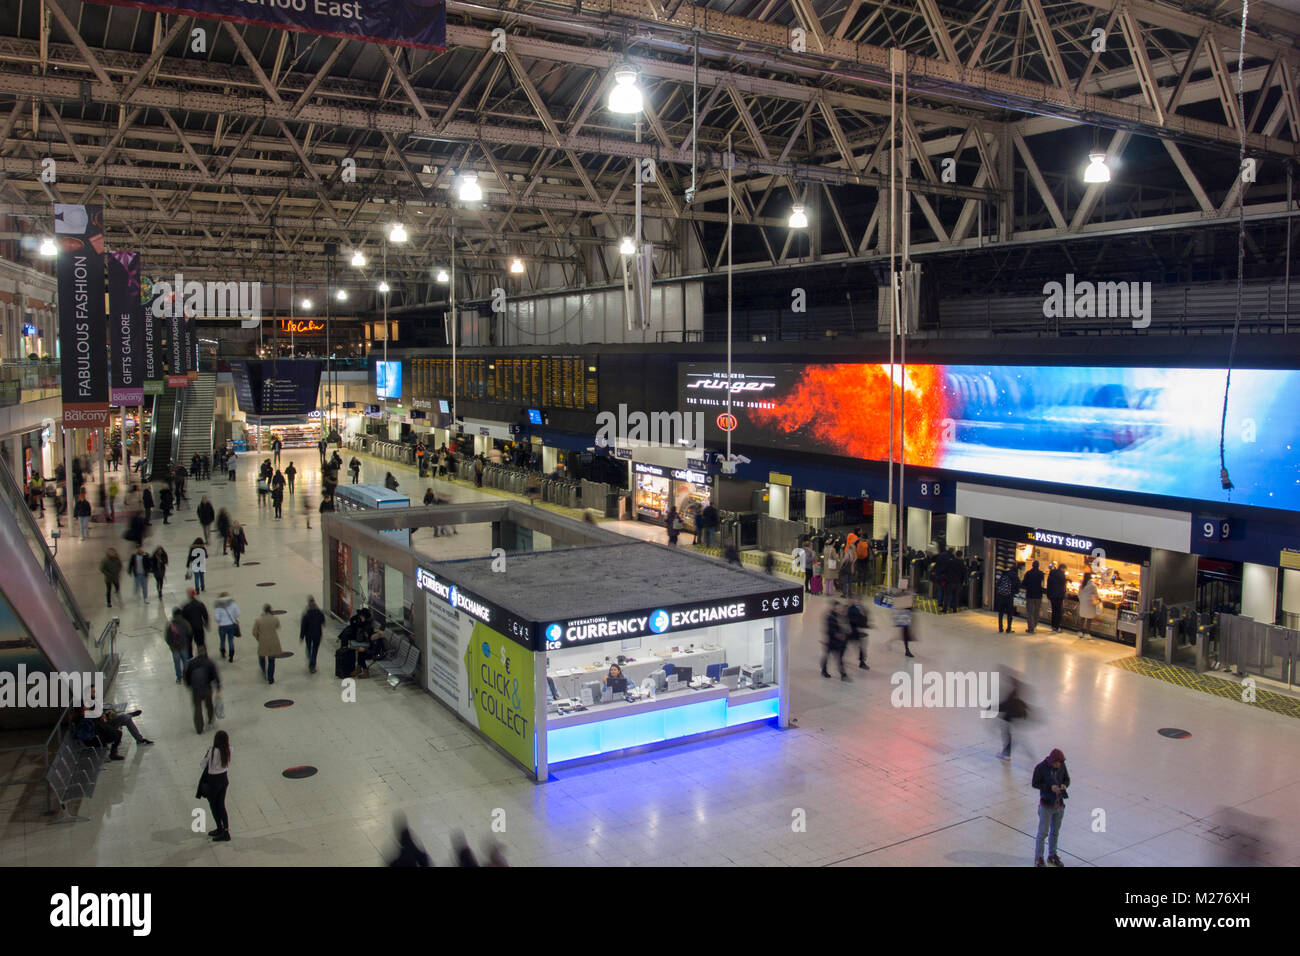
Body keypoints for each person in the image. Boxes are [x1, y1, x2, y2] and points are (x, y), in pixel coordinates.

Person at [1031, 748, 1070, 867]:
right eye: (1058, 763)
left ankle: (1052, 855)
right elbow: (1035, 783)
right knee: (1043, 833)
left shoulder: (1062, 766)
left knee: (1055, 832)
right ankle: (1039, 858)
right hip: (1046, 806)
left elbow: (1066, 779)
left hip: (1059, 805)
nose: (1060, 765)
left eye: (1061, 763)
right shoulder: (1040, 768)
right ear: (1052, 761)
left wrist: (1064, 785)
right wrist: (1049, 788)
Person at [200, 730, 232, 842]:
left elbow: (202, 765)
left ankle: (220, 828)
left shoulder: (212, 751)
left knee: (214, 806)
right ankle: (226, 831)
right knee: (221, 805)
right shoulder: (229, 750)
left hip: (213, 782)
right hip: (223, 779)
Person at [184, 646, 221, 735]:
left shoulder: (191, 663)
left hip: (196, 689)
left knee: (197, 708)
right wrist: (218, 688)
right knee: (209, 705)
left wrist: (190, 685)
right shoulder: (209, 662)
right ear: (205, 652)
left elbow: (186, 676)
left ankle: (199, 728)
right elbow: (216, 676)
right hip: (207, 688)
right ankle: (210, 721)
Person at [996, 674, 1028, 759]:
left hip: (1009, 718)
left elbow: (1006, 704)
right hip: (1013, 717)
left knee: (1007, 735)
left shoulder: (1013, 693)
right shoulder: (1016, 692)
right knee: (1007, 735)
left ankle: (1006, 753)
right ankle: (1006, 753)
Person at [254, 604, 282, 684]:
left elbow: (254, 632)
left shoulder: (258, 620)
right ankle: (271, 678)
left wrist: (258, 638)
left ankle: (263, 671)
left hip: (263, 641)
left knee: (261, 657)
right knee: (272, 661)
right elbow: (278, 626)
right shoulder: (275, 619)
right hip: (273, 642)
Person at [821, 601, 849, 680]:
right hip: (831, 641)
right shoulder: (830, 616)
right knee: (830, 657)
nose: (838, 608)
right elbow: (830, 630)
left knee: (837, 658)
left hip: (836, 641)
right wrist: (839, 635)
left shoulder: (837, 615)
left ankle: (842, 674)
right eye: (837, 607)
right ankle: (825, 670)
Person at [165, 608, 194, 684]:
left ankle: (179, 678)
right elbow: (190, 632)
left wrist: (171, 645)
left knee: (177, 663)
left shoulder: (170, 624)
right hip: (184, 645)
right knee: (185, 662)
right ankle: (186, 676)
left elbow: (167, 637)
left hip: (174, 648)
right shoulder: (185, 623)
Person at [996, 562, 1023, 633]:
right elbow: (1019, 585)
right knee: (1009, 613)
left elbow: (998, 583)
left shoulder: (1004, 574)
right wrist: (1014, 592)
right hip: (1009, 597)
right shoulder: (1015, 576)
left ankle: (1000, 628)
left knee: (1001, 612)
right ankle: (1008, 628)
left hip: (1001, 596)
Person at [300, 596, 325, 673]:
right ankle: (312, 665)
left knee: (308, 648)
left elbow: (303, 626)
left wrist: (301, 636)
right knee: (315, 650)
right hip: (317, 634)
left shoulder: (306, 615)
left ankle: (310, 660)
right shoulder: (319, 613)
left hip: (308, 635)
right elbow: (323, 621)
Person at [213, 592, 241, 662]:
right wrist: (234, 618)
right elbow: (238, 613)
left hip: (222, 626)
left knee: (222, 640)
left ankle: (223, 652)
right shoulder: (233, 603)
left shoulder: (218, 605)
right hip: (231, 625)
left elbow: (216, 618)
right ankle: (231, 656)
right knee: (230, 640)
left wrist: (220, 621)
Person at [182, 587, 210, 653]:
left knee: (189, 643)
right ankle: (202, 655)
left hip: (189, 627)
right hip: (199, 626)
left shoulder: (186, 606)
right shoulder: (200, 604)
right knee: (200, 642)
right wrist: (206, 623)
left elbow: (183, 617)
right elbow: (205, 615)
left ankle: (189, 656)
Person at [1022, 560, 1045, 634]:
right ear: (1038, 566)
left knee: (1030, 612)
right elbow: (1043, 584)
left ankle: (1030, 628)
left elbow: (1024, 583)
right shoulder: (1041, 574)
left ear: (1032, 565)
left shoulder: (1028, 573)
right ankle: (1034, 625)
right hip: (1038, 595)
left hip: (1030, 594)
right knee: (1036, 611)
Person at [846, 600, 869, 669]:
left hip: (855, 632)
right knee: (843, 647)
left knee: (861, 648)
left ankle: (862, 662)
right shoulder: (849, 609)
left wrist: (864, 614)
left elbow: (863, 622)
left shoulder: (858, 609)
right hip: (849, 631)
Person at [1078, 572, 1101, 638]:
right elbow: (1096, 595)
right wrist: (1099, 600)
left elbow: (1079, 594)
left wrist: (1081, 600)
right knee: (1089, 619)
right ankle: (1087, 633)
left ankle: (1080, 632)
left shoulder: (1082, 585)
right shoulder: (1093, 586)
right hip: (1090, 603)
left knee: (1082, 618)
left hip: (1083, 603)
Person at [1046, 563, 1068, 633]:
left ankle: (1053, 626)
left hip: (1052, 595)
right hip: (1058, 596)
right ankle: (1057, 626)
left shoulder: (1052, 573)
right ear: (1063, 568)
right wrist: (1064, 593)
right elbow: (1063, 586)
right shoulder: (1061, 575)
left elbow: (1048, 583)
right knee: (1058, 612)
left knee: (1054, 610)